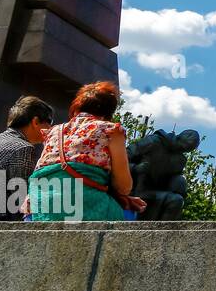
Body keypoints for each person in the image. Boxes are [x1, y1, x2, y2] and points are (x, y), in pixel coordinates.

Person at [27, 82, 145, 221]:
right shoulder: (111, 130)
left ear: (76, 109)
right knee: (129, 213)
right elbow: (124, 186)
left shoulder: (52, 131)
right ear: (109, 112)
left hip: (41, 207)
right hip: (81, 206)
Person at [0, 97, 55, 220]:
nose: (51, 129)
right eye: (50, 123)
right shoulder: (22, 148)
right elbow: (21, 200)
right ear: (35, 122)